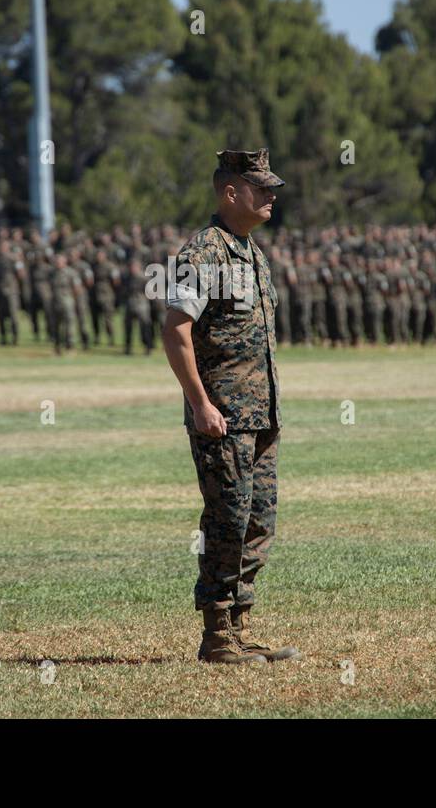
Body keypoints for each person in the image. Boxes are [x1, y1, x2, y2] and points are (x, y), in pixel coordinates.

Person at [161, 148, 299, 666]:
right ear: (230, 192)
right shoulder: (203, 253)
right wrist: (200, 405)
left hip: (261, 416)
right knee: (226, 520)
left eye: (271, 188)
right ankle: (216, 635)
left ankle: (240, 626)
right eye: (261, 188)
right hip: (223, 419)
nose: (271, 196)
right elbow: (175, 331)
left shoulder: (250, 251)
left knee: (259, 520)